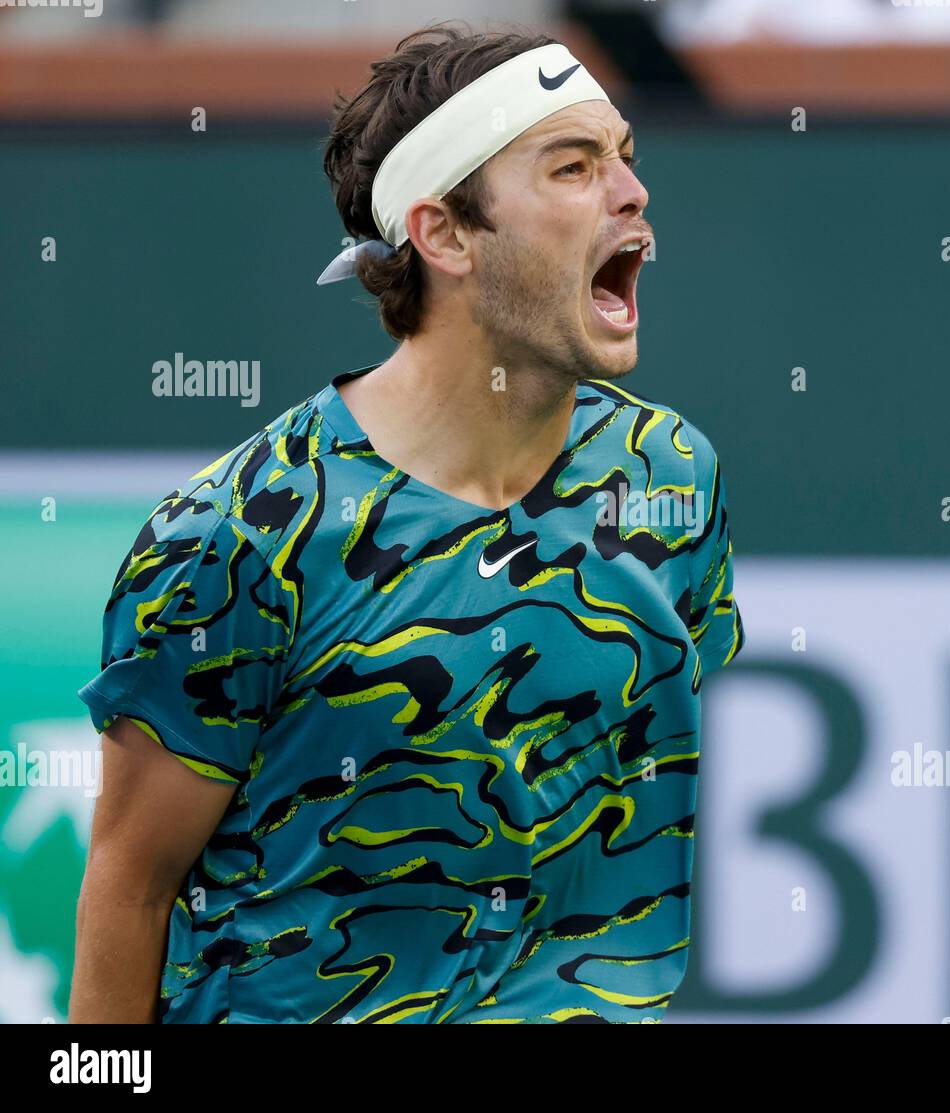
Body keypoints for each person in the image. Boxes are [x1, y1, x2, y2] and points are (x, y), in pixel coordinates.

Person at [69, 22, 743, 1024]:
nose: (632, 192)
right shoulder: (234, 536)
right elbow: (130, 890)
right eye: (572, 166)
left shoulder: (671, 479)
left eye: (625, 158)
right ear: (445, 234)